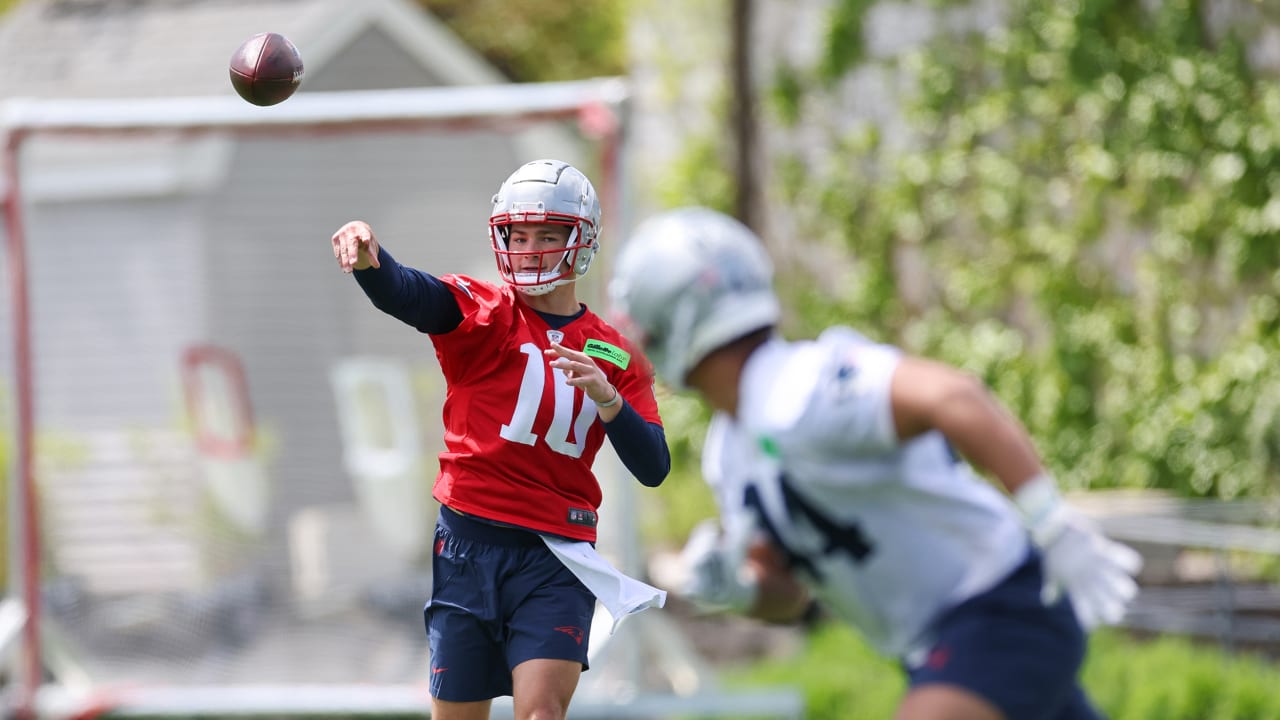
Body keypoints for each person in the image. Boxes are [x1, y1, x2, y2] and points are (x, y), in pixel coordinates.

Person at [607, 207, 1142, 720]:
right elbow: (792, 598)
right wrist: (743, 589)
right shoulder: (731, 449)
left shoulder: (801, 391)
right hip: (941, 647)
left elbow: (955, 396)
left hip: (1003, 609)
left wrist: (1050, 519)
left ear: (676, 322)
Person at [330, 159, 671, 720]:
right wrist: (373, 263)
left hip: (556, 556)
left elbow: (654, 464)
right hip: (466, 546)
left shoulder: (614, 351)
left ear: (579, 240)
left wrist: (609, 400)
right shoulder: (487, 312)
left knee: (540, 713)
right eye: (519, 233)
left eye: (547, 234)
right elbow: (412, 294)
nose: (530, 246)